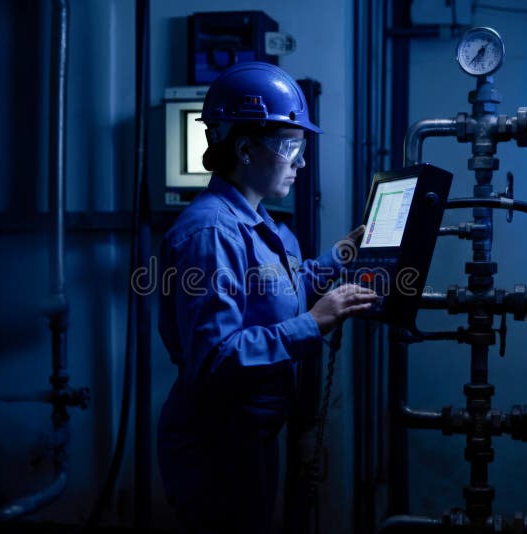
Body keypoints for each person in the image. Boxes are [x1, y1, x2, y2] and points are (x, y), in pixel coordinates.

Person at [156, 61, 377, 534]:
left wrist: (341, 255)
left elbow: (282, 288)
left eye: (301, 148)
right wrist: (313, 323)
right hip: (215, 448)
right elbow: (215, 356)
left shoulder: (260, 225)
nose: (300, 163)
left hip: (250, 437)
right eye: (290, 147)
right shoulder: (212, 232)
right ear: (244, 149)